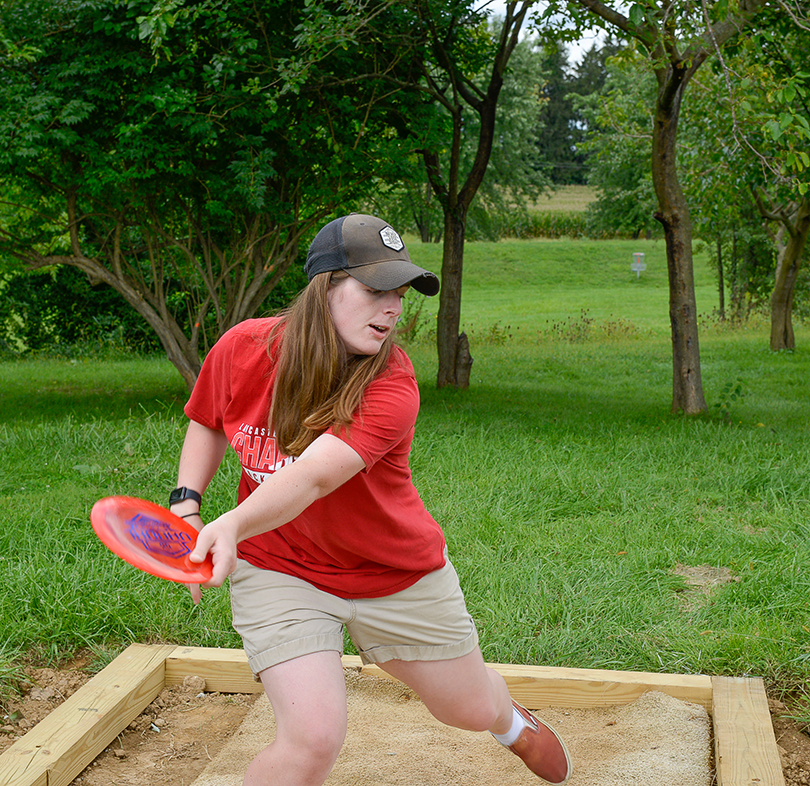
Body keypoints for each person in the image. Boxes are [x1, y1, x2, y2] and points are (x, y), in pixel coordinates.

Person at [168, 213, 572, 786]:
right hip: (280, 567)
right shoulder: (242, 348)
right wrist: (187, 501)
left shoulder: (391, 383)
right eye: (377, 290)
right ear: (324, 286)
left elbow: (311, 479)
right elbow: (208, 420)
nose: (393, 309)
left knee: (466, 709)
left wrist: (229, 524)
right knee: (312, 738)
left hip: (393, 573)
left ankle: (510, 722)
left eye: (400, 295)